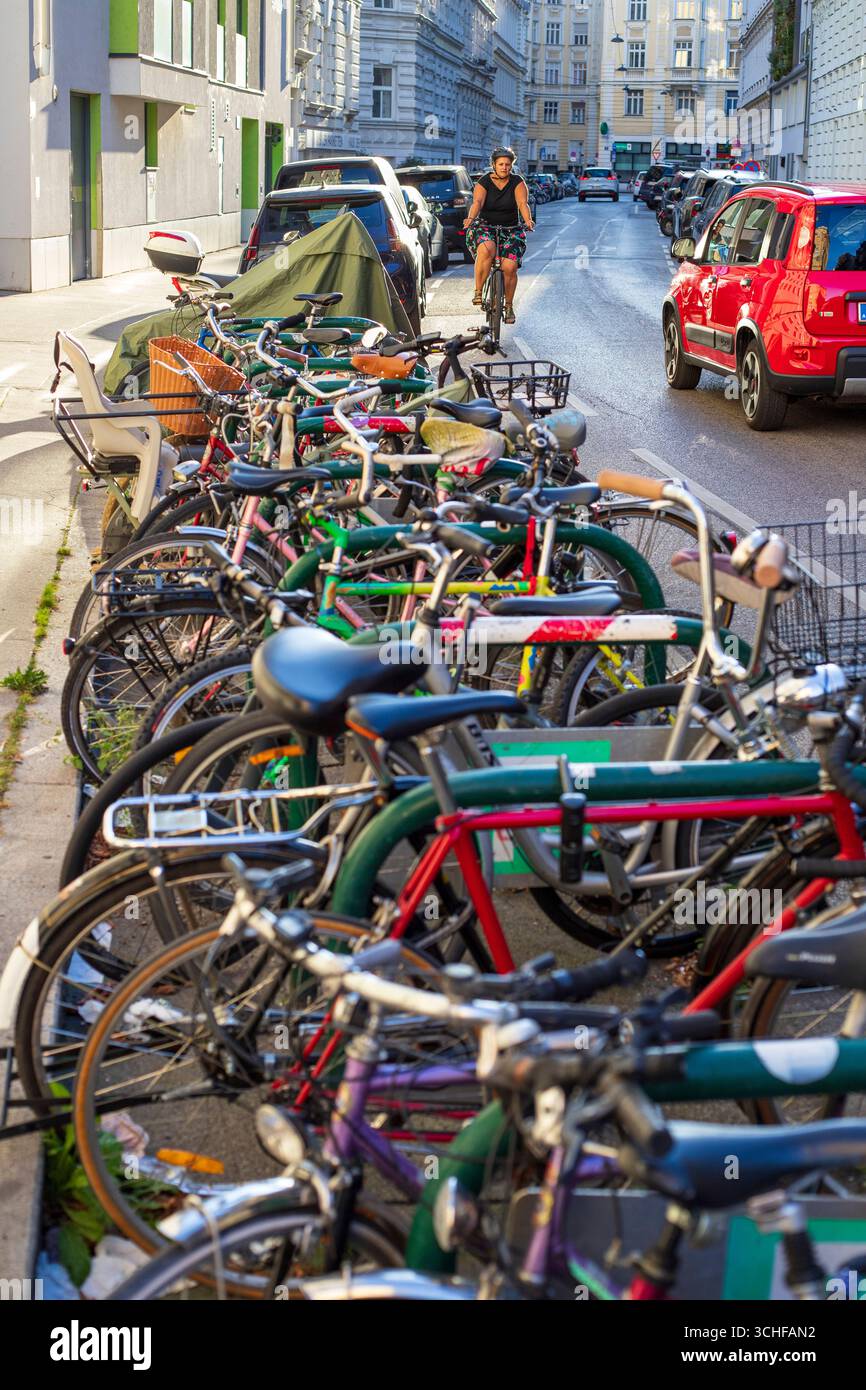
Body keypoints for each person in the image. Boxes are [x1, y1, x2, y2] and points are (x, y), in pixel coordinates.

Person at [463, 147, 534, 324]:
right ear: (493, 164)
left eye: (508, 165)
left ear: (511, 166)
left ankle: (508, 306)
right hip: (486, 226)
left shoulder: (517, 181)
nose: (504, 168)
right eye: (501, 164)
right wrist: (471, 218)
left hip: (511, 229)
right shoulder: (484, 181)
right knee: (487, 248)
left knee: (510, 267)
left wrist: (528, 220)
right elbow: (477, 202)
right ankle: (478, 291)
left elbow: (522, 203)